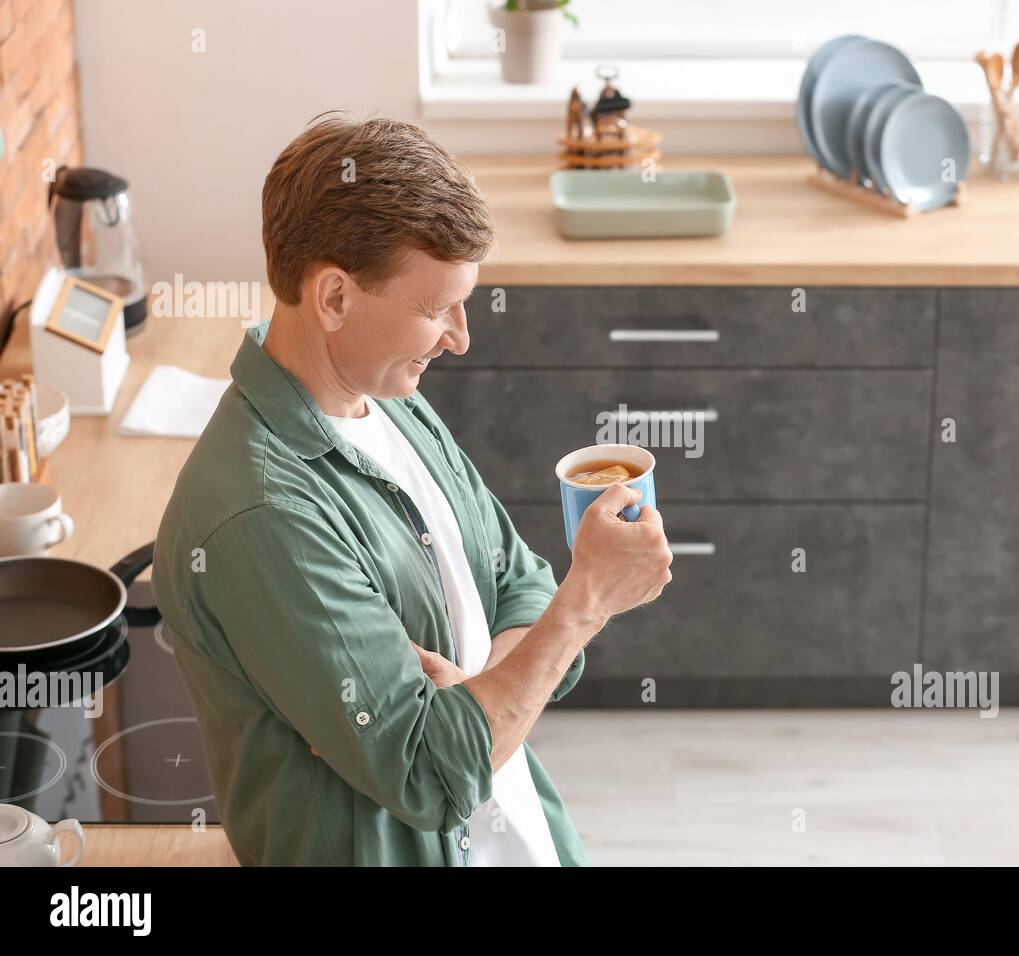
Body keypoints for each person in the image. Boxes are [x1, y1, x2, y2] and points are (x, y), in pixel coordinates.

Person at [152, 114, 672, 866]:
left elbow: (518, 580)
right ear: (333, 297)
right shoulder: (263, 517)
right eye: (436, 309)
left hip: (520, 830)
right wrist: (586, 602)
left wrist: (479, 699)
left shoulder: (390, 399)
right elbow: (430, 772)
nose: (461, 336)